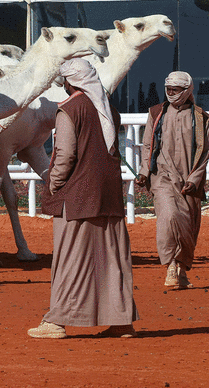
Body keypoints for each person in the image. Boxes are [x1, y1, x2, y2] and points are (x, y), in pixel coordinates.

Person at [28, 58, 138, 339]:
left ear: (70, 82)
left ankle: (57, 321)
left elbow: (64, 156)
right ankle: (122, 321)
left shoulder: (70, 109)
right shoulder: (108, 110)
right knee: (112, 260)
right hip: (108, 196)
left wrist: (53, 185)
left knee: (70, 259)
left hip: (77, 198)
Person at [135, 71, 209, 289]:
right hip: (163, 176)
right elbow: (148, 145)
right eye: (168, 90)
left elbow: (204, 153)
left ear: (186, 91)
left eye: (176, 90)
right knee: (168, 218)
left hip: (189, 179)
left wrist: (195, 179)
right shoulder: (156, 113)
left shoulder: (201, 118)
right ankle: (169, 266)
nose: (171, 93)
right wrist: (143, 171)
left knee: (188, 227)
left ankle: (182, 269)